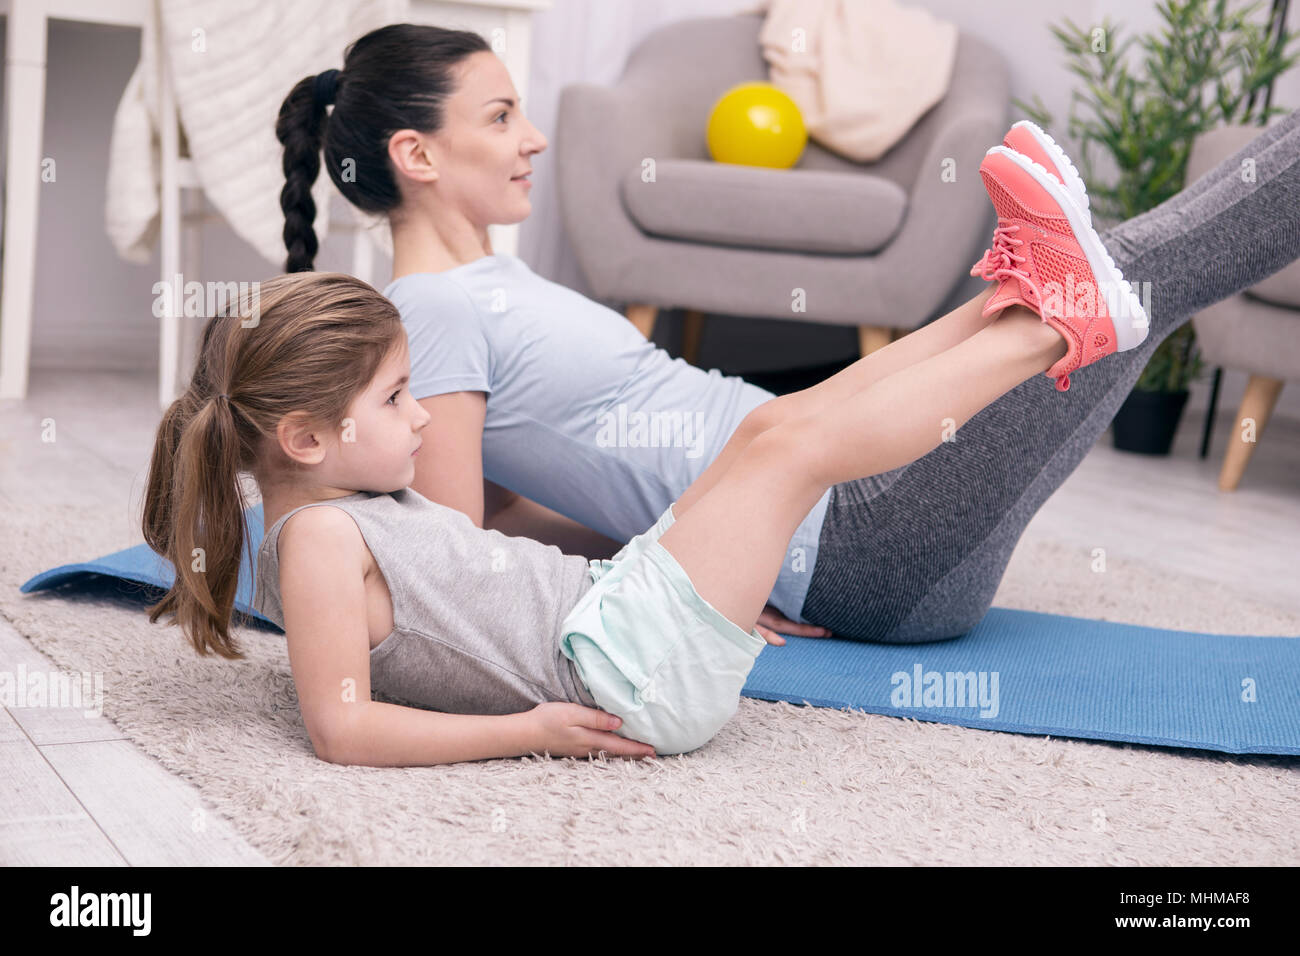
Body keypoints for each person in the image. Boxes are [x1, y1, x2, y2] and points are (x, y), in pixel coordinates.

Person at [144, 140, 1182, 763]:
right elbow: (342, 728)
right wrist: (531, 731)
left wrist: (693, 570)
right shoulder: (318, 535)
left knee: (772, 426)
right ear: (305, 437)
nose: (423, 418)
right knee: (797, 451)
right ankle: (1059, 328)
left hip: (624, 613)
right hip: (620, 670)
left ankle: (1018, 296)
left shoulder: (336, 503)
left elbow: (476, 581)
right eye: (399, 396)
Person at [276, 22, 1300, 647]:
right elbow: (462, 556)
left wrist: (703, 549)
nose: (532, 136)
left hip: (839, 486)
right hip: (860, 544)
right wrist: (685, 581)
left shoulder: (484, 285)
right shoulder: (436, 315)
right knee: (1128, 276)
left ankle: (1041, 287)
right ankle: (1058, 293)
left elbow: (520, 506)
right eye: (499, 118)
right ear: (415, 152)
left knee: (1121, 269)